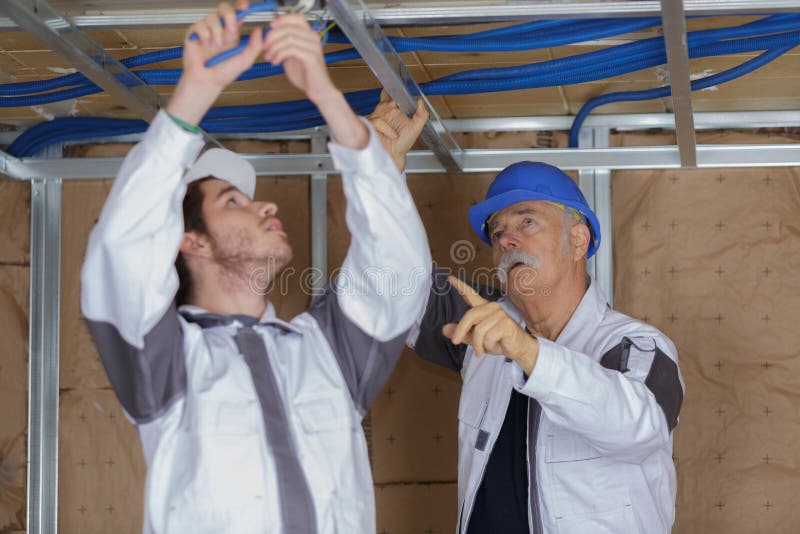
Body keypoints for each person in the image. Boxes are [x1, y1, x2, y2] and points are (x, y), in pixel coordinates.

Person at [81, 3, 430, 533]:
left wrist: (328, 97)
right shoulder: (166, 360)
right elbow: (121, 251)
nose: (266, 206)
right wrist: (193, 94)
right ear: (190, 240)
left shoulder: (325, 351)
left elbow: (398, 268)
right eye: (232, 201)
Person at [371, 110, 684, 533]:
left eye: (526, 221)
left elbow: (637, 428)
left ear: (578, 239)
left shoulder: (635, 345)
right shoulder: (482, 324)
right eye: (496, 231)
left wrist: (526, 350)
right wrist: (382, 171)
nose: (505, 239)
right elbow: (392, 287)